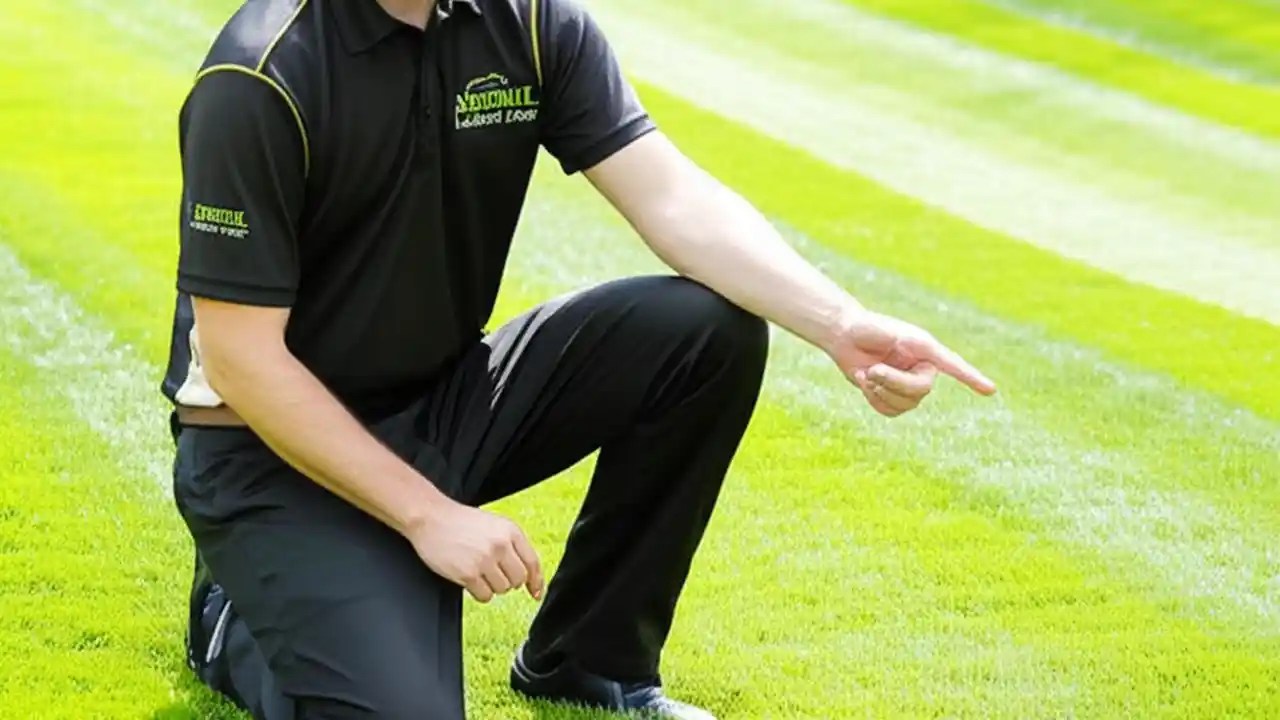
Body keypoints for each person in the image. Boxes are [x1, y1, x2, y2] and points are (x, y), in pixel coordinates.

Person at [162, 0, 998, 717]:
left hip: (441, 398)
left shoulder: (525, 22)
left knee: (706, 332)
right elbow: (241, 363)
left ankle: (591, 658)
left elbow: (673, 197)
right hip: (269, 452)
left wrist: (843, 324)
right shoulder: (258, 77)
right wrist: (431, 518)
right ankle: (233, 621)